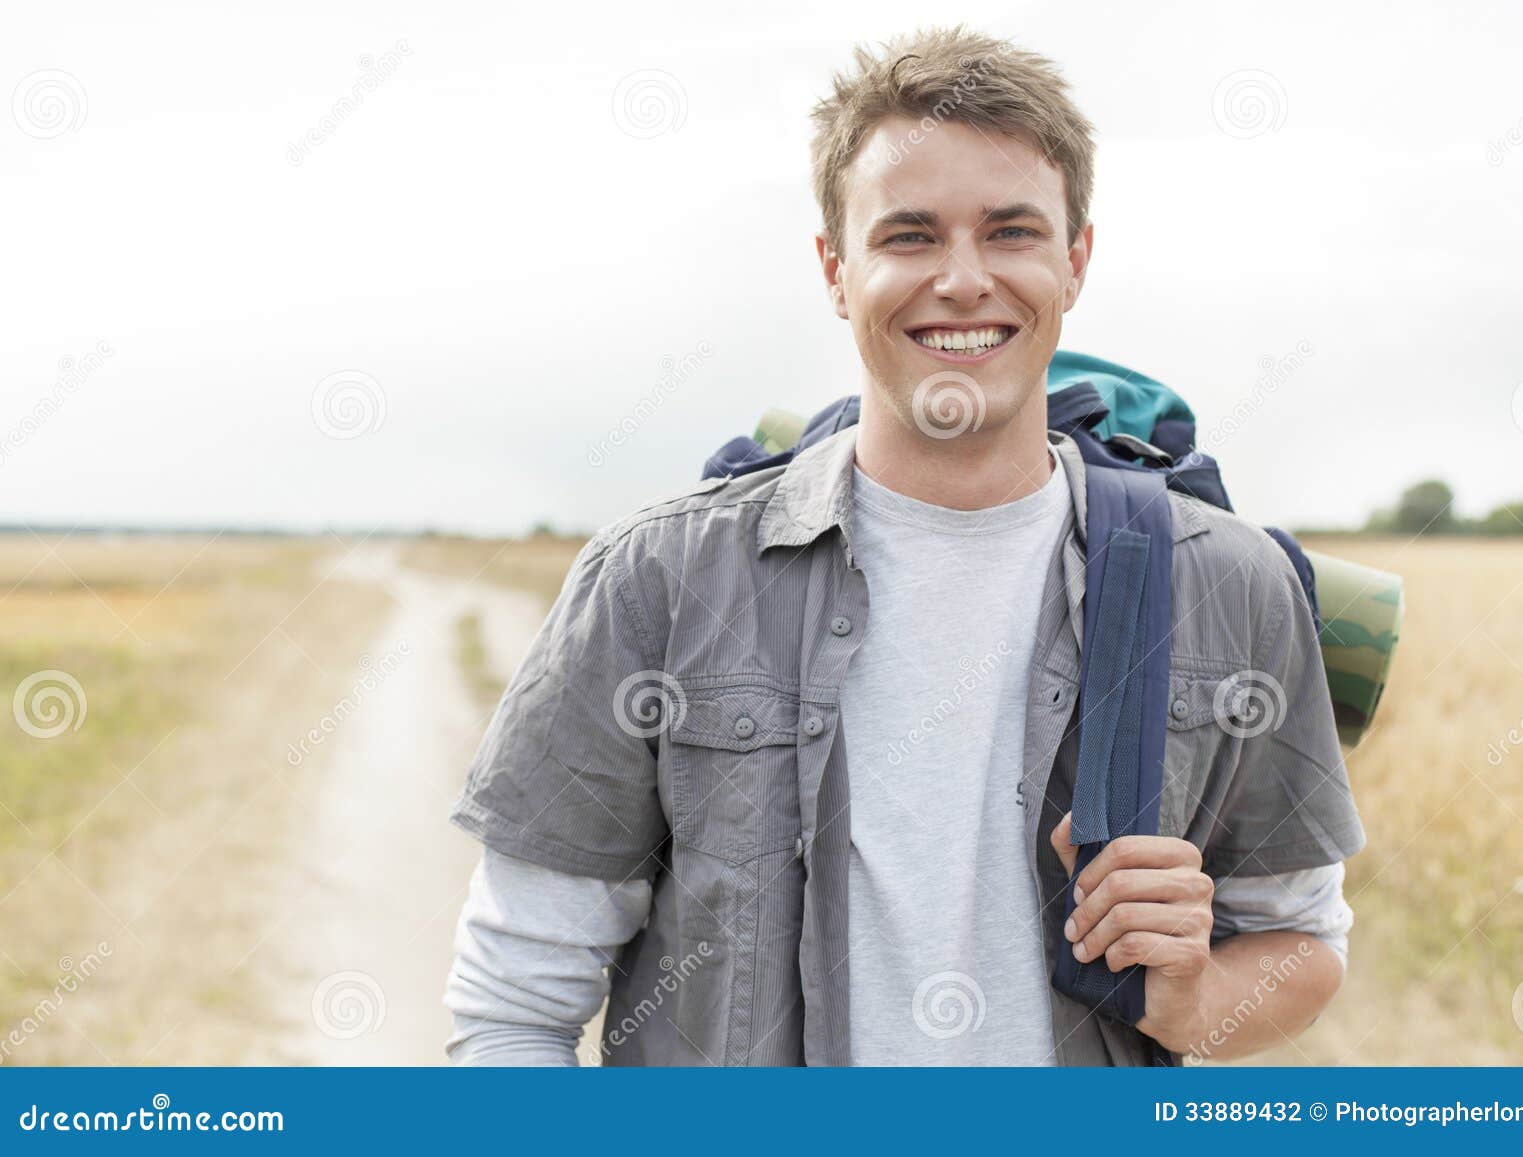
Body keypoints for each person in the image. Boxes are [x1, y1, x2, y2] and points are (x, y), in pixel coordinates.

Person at [442, 25, 1364, 1066]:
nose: (964, 279)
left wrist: (1193, 1001)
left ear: (1075, 260)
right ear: (837, 269)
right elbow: (514, 1008)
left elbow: (1301, 942)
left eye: (1011, 232)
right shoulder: (658, 580)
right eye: (910, 235)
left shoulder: (1229, 582)